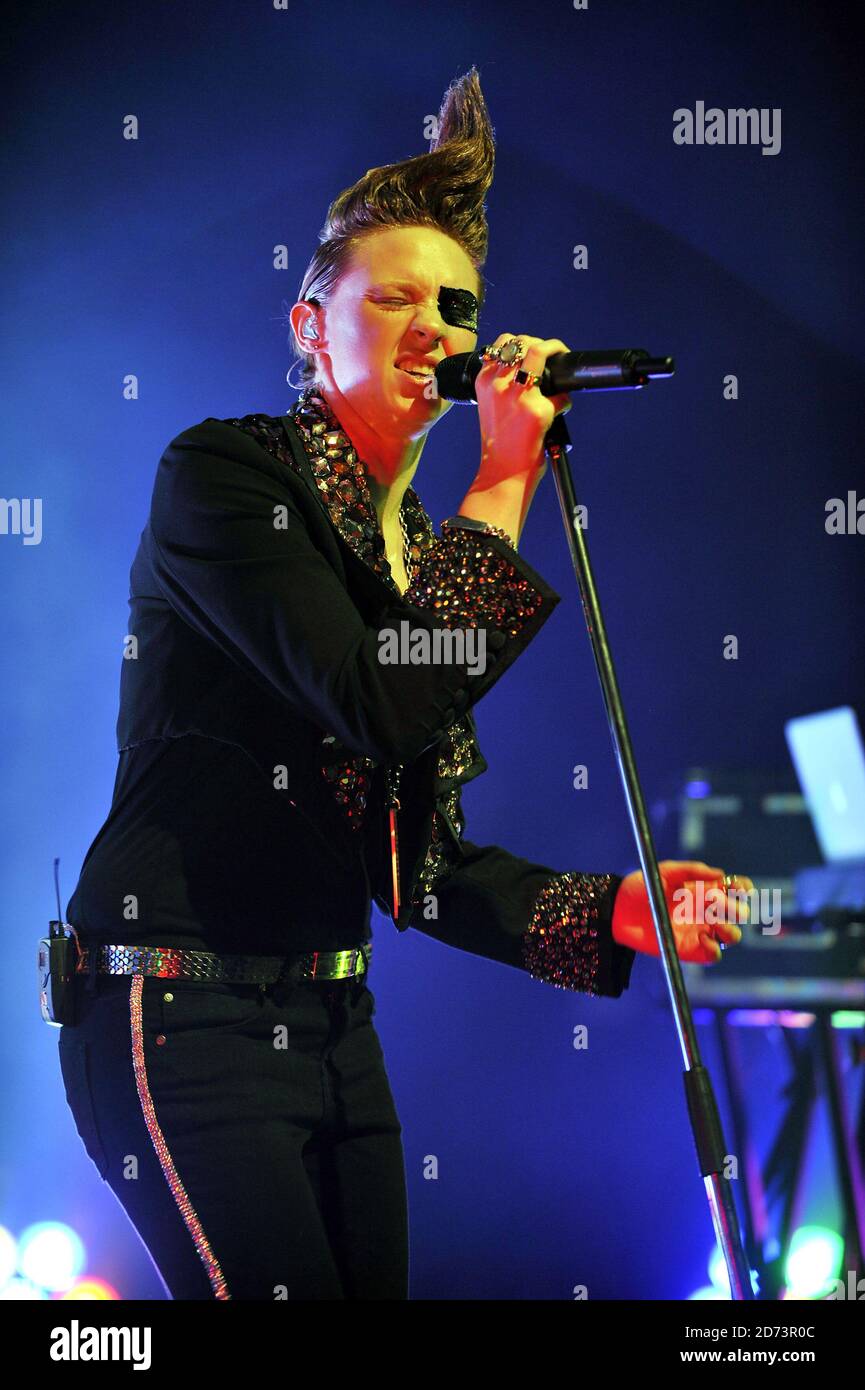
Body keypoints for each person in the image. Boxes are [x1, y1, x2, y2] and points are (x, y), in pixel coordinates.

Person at [56, 66, 750, 1301]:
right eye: (392, 299)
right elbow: (375, 696)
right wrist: (504, 481)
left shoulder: (420, 553)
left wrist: (616, 913)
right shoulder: (224, 478)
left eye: (457, 302)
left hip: (331, 1018)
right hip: (176, 1010)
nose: (435, 323)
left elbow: (417, 869)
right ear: (308, 325)